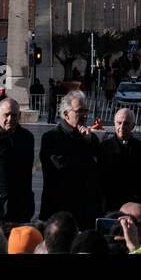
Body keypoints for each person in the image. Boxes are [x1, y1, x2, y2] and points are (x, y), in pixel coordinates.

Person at [39, 90, 102, 227]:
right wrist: (87, 154)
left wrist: (89, 141)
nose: (84, 115)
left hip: (86, 210)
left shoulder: (89, 136)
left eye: (86, 111)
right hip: (60, 209)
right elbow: (66, 168)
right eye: (79, 111)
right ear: (66, 114)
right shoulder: (52, 137)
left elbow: (100, 164)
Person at [0, 96, 35, 224]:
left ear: (19, 116)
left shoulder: (27, 138)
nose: (10, 119)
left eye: (14, 115)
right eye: (6, 115)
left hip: (23, 205)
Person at [99, 108, 141, 209]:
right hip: (111, 204)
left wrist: (137, 197)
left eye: (126, 123)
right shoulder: (103, 148)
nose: (122, 127)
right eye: (119, 123)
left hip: (136, 204)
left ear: (133, 126)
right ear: (114, 123)